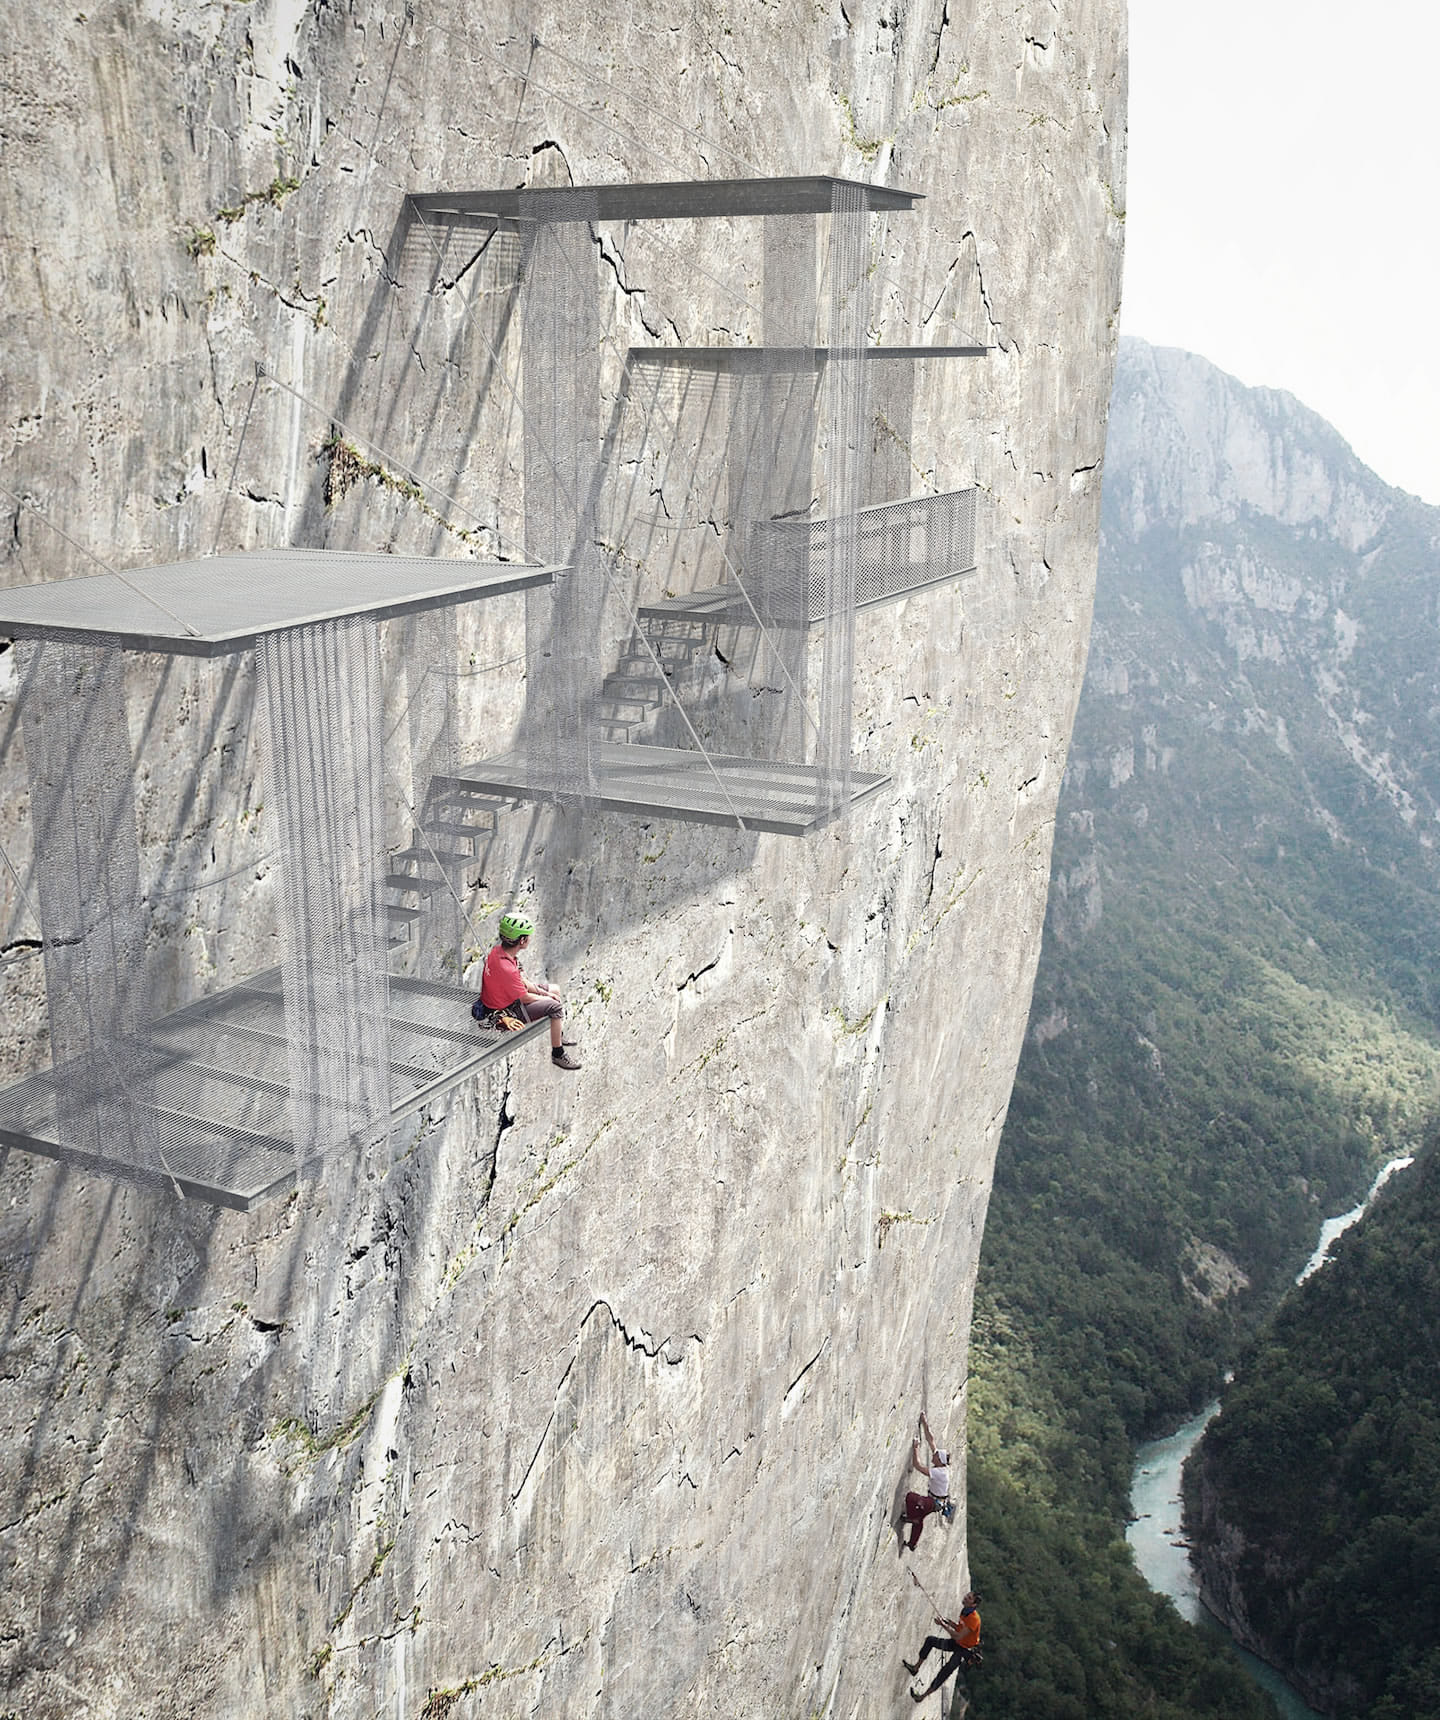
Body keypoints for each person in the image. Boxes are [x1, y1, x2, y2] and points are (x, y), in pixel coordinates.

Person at [475, 911, 580, 1071]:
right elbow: (524, 997)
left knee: (555, 990)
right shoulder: (507, 968)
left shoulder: (498, 952)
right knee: (556, 1007)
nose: (530, 939)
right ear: (522, 940)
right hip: (505, 1012)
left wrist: (546, 994)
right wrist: (547, 1000)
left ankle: (558, 1035)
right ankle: (558, 1054)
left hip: (505, 999)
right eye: (528, 936)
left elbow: (524, 982)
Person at [903, 1591, 982, 1703]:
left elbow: (958, 1636)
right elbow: (960, 1628)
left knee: (944, 1672)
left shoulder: (974, 1619)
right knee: (930, 1641)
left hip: (964, 1650)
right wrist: (949, 1623)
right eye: (967, 1595)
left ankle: (921, 1697)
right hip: (959, 1643)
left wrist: (943, 1625)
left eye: (969, 1598)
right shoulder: (965, 1611)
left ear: (973, 1604)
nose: (965, 1597)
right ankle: (915, 1668)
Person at [903, 1412, 953, 1549]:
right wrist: (925, 1422)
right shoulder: (941, 1465)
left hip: (933, 1502)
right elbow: (931, 1440)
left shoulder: (939, 1473)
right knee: (919, 1520)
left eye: (935, 1456)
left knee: (911, 1497)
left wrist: (915, 1448)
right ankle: (912, 1543)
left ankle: (912, 1517)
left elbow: (917, 1465)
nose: (933, 1456)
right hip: (936, 1502)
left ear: (939, 1460)